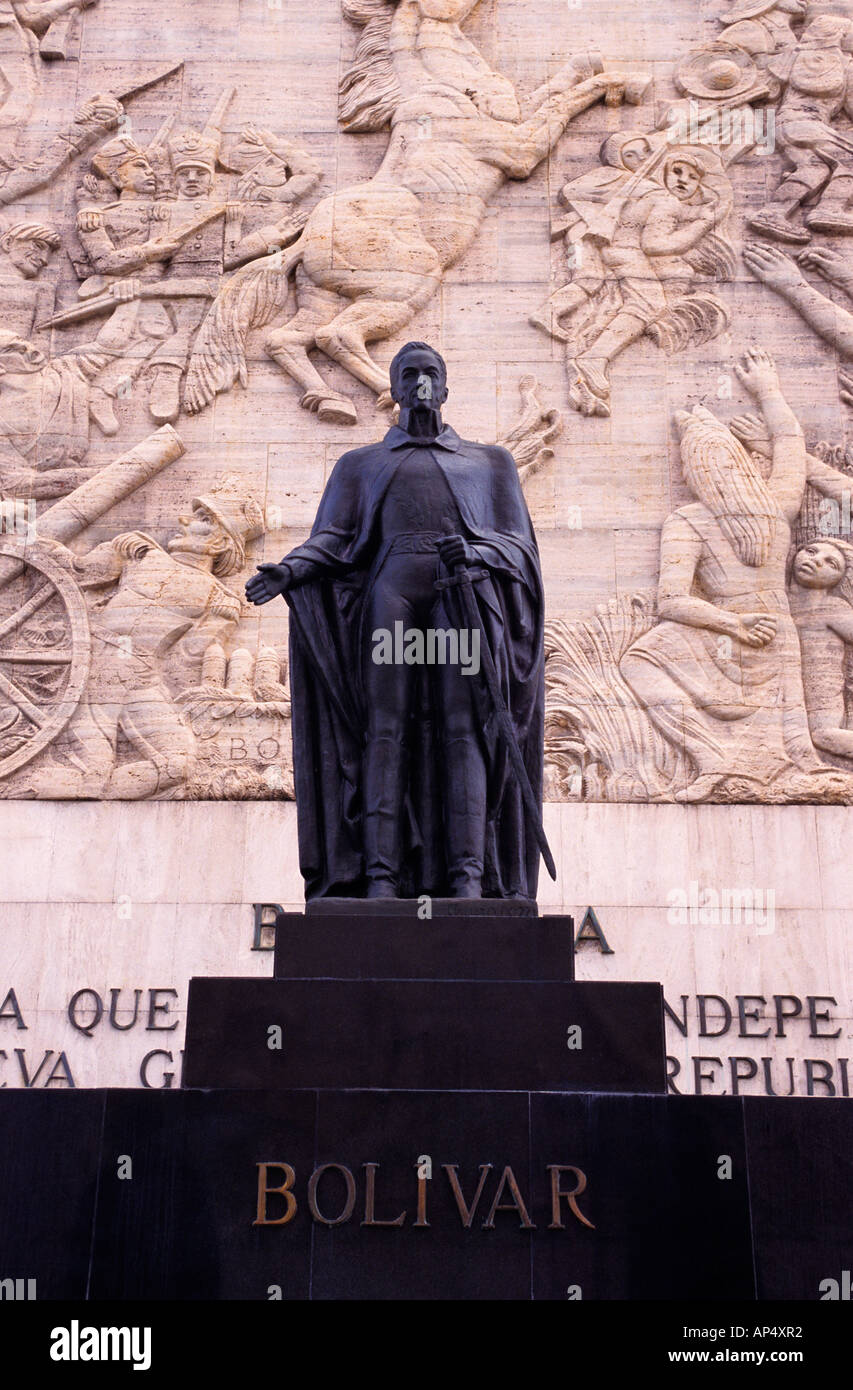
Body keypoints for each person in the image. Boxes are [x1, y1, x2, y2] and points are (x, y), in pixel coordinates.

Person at [246, 340, 545, 902]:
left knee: (464, 730)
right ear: (395, 389)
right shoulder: (361, 465)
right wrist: (291, 571)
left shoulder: (489, 462)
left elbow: (520, 548)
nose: (421, 381)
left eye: (431, 372)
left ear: (447, 387)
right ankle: (380, 878)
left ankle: (468, 878)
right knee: (386, 730)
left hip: (461, 597)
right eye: (409, 373)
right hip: (393, 597)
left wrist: (477, 553)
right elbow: (335, 539)